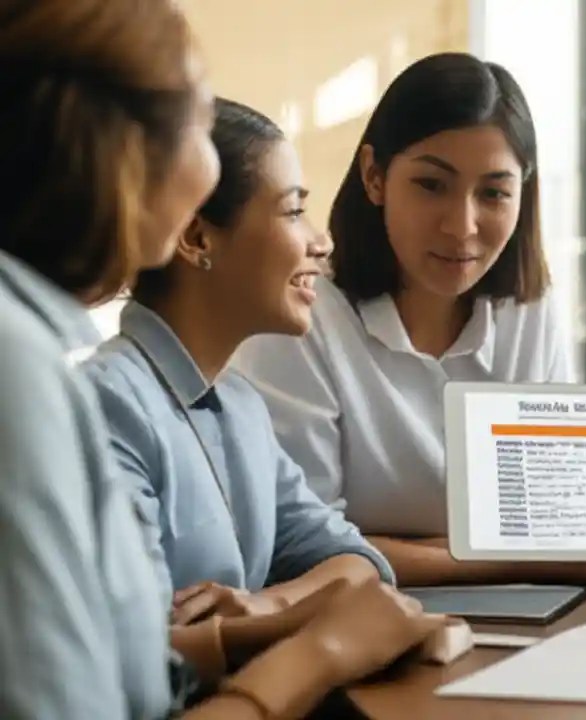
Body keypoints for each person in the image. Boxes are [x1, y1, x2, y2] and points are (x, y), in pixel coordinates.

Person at [0, 2, 445, 717]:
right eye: (194, 114)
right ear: (114, 145)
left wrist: (270, 615)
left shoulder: (228, 402)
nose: (322, 240)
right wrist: (316, 649)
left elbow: (137, 660)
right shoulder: (31, 380)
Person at [234, 52, 586, 588]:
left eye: (493, 193)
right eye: (431, 185)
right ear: (374, 177)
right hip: (348, 613)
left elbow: (552, 524)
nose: (462, 226)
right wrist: (519, 561)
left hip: (522, 607)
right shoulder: (301, 317)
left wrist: (450, 553)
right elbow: (304, 547)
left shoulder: (528, 312)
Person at [83, 97, 396, 626]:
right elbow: (140, 648)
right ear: (197, 237)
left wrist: (265, 605)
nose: (322, 241)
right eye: (294, 211)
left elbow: (360, 563)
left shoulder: (240, 405)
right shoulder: (108, 405)